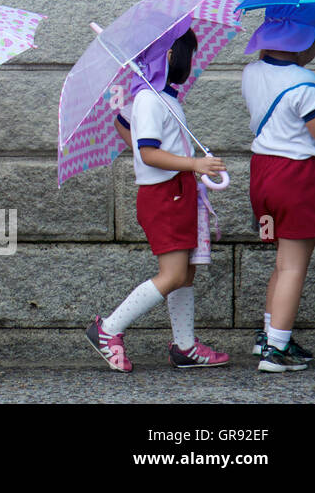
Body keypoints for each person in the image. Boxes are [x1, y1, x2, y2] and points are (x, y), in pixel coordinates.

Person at [87, 25, 229, 371]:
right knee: (173, 274)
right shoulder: (150, 99)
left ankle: (185, 345)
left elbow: (123, 125)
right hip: (165, 196)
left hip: (180, 191)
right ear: (169, 56)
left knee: (186, 272)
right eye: (187, 54)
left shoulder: (159, 96)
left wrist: (185, 166)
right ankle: (108, 329)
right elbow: (149, 153)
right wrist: (194, 163)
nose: (190, 62)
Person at [239, 8, 315, 373]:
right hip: (297, 178)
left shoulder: (251, 73)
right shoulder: (305, 83)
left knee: (281, 262)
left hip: (262, 177)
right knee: (293, 266)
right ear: (303, 41)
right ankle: (277, 349)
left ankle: (269, 336)